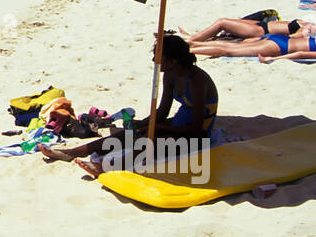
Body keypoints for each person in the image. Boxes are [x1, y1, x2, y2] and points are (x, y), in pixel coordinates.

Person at [39, 36, 218, 176]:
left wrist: (157, 127)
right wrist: (144, 124)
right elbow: (162, 112)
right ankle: (73, 152)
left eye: (158, 55)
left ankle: (106, 166)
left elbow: (196, 129)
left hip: (198, 135)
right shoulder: (170, 75)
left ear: (173, 61)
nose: (154, 59)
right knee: (134, 133)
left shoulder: (196, 81)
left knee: (152, 140)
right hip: (180, 123)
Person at [191, 32, 316, 61]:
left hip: (279, 38)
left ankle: (193, 43)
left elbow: (305, 37)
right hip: (279, 47)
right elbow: (300, 54)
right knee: (230, 50)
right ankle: (189, 50)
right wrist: (274, 58)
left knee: (231, 45)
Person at [179, 16, 316, 42]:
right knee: (228, 21)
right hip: (260, 25)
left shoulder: (311, 31)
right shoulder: (312, 26)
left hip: (260, 32)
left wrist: (258, 40)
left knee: (222, 22)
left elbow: (292, 38)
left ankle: (192, 40)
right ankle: (195, 36)